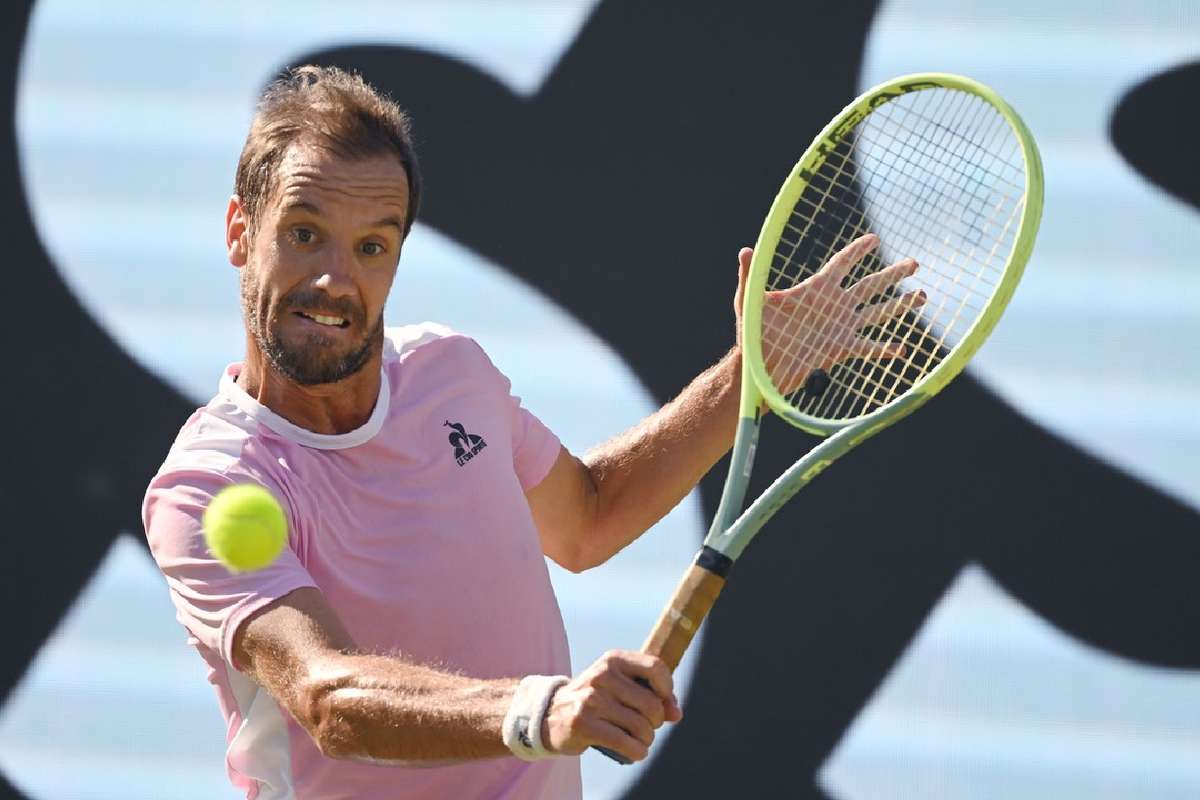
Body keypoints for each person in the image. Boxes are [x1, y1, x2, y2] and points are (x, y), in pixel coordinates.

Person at [142, 65, 921, 800]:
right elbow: (328, 697)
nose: (335, 279)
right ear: (241, 232)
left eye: (372, 246)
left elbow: (588, 516)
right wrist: (542, 712)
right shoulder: (207, 485)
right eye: (305, 233)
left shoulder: (451, 373)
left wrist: (748, 374)